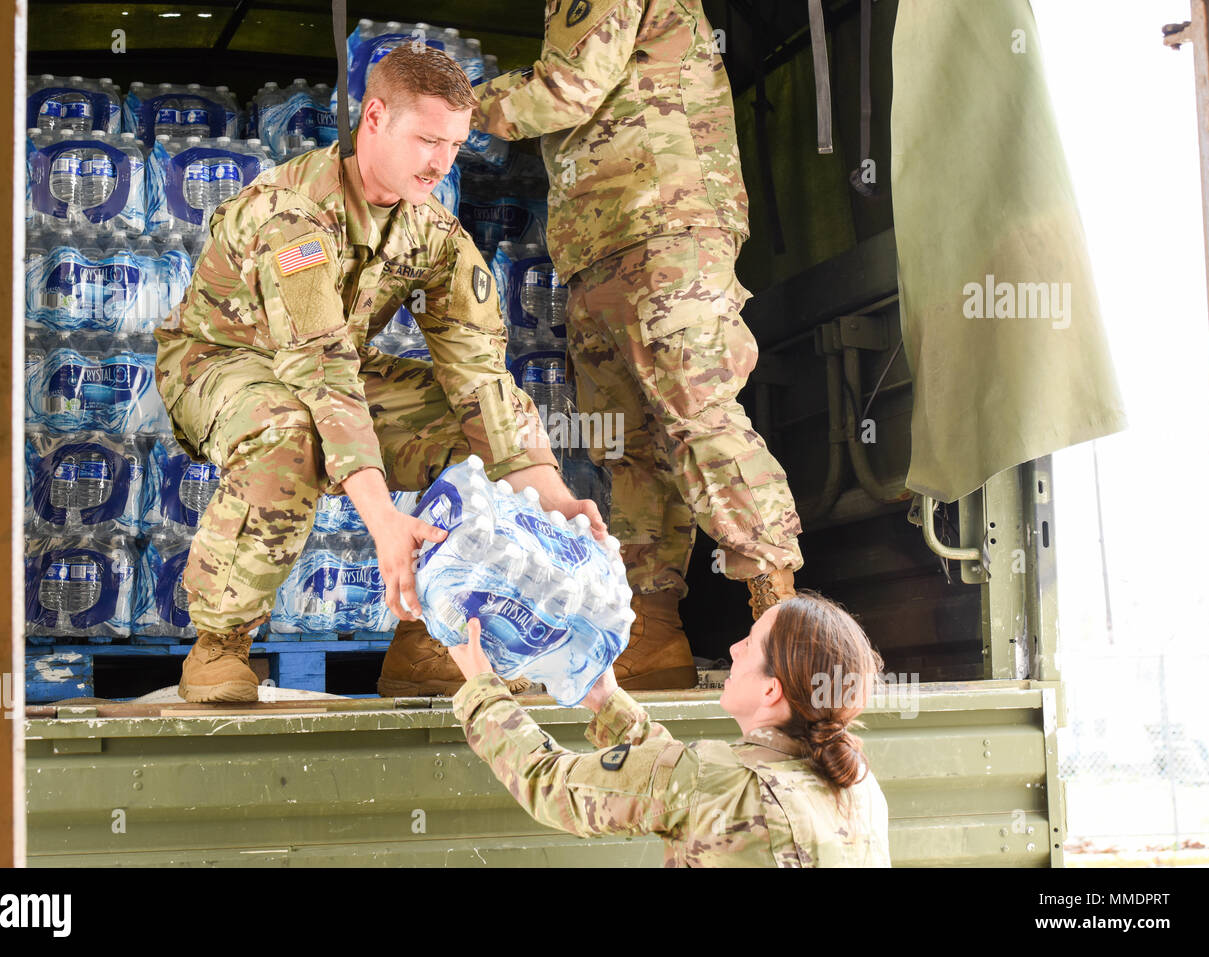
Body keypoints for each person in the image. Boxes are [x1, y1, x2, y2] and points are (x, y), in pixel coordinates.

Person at [154, 45, 606, 703]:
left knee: (477, 435)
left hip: (332, 365)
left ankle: (431, 641)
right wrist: (384, 523)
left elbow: (482, 378)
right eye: (426, 138)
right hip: (223, 363)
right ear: (373, 119)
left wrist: (553, 499)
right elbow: (319, 365)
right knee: (289, 429)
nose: (440, 161)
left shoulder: (430, 231)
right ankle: (220, 645)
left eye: (453, 143)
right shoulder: (293, 214)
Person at [469, 0, 804, 691]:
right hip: (604, 244)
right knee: (629, 450)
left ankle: (782, 616)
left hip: (664, 225)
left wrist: (456, 103)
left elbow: (568, 87)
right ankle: (652, 630)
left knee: (698, 416)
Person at [449, 591, 891, 867]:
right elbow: (680, 783)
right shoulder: (857, 786)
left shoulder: (708, 780)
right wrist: (607, 703)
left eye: (750, 642)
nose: (734, 648)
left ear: (772, 690)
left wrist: (483, 690)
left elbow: (547, 784)